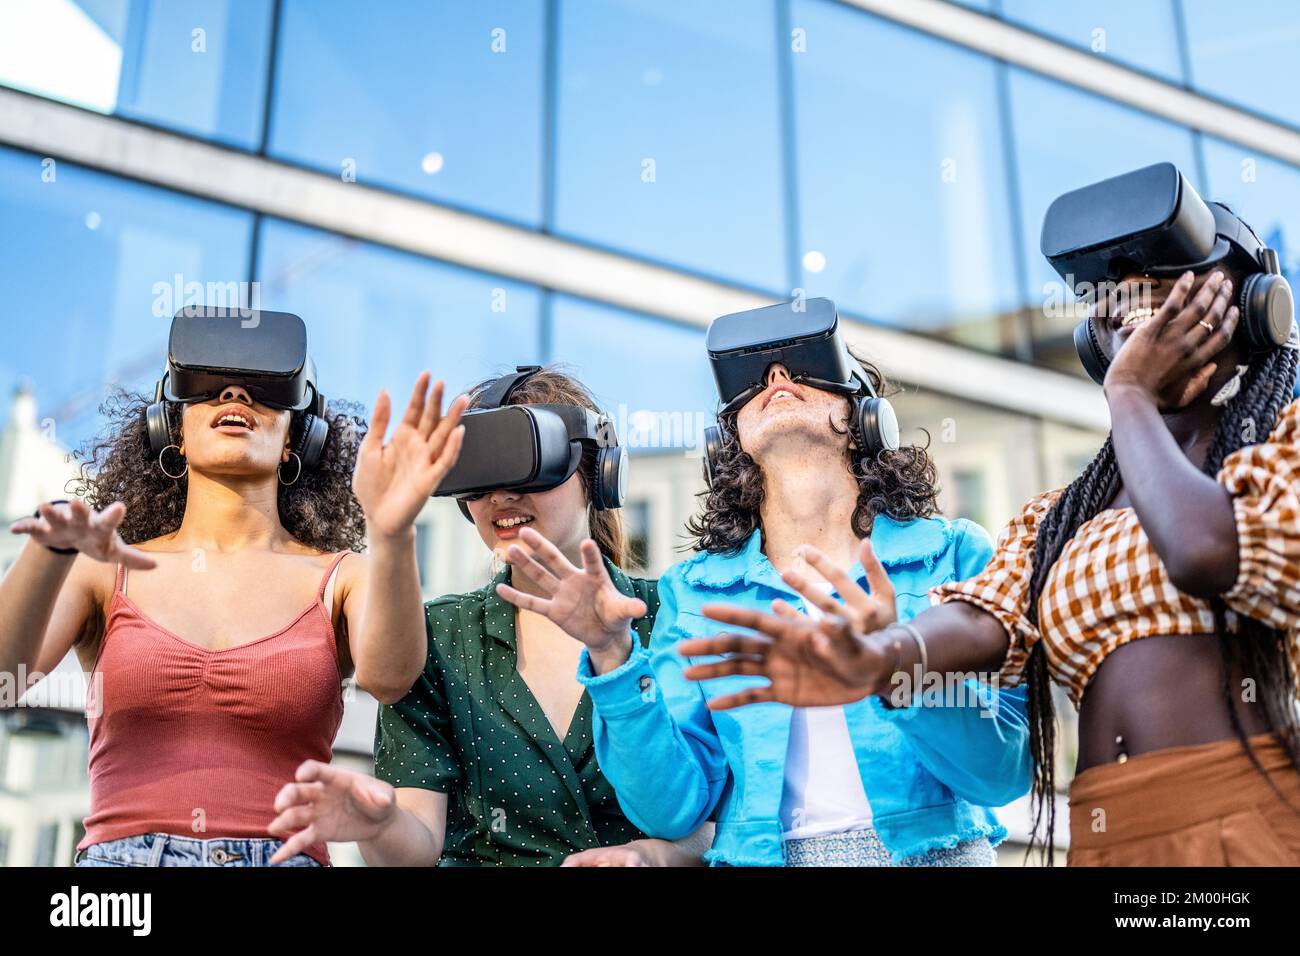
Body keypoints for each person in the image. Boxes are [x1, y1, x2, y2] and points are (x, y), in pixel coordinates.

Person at [683, 195, 1300, 866]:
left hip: (1249, 810)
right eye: (1115, 301)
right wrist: (885, 657)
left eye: (1168, 291)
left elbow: (1205, 550)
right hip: (1110, 831)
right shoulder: (1065, 513)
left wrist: (1129, 398)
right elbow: (986, 620)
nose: (1135, 312)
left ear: (1259, 304)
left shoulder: (1281, 436)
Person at [495, 308, 1032, 866]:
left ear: (866, 417)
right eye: (753, 379)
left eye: (804, 367)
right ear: (732, 439)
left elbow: (1002, 774)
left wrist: (896, 667)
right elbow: (668, 810)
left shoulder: (952, 554)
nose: (777, 379)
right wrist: (611, 653)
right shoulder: (697, 592)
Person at [3, 310, 464, 868]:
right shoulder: (105, 567)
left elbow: (390, 679)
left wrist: (391, 534)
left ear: (301, 437)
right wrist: (49, 554)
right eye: (206, 386)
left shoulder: (344, 577)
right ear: (170, 426)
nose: (234, 392)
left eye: (267, 390)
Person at [267, 367, 712, 865]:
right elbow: (412, 846)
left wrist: (652, 857)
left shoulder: (675, 613)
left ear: (598, 472)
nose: (501, 497)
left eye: (528, 466)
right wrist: (378, 822)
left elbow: (722, 820)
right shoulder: (436, 636)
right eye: (478, 480)